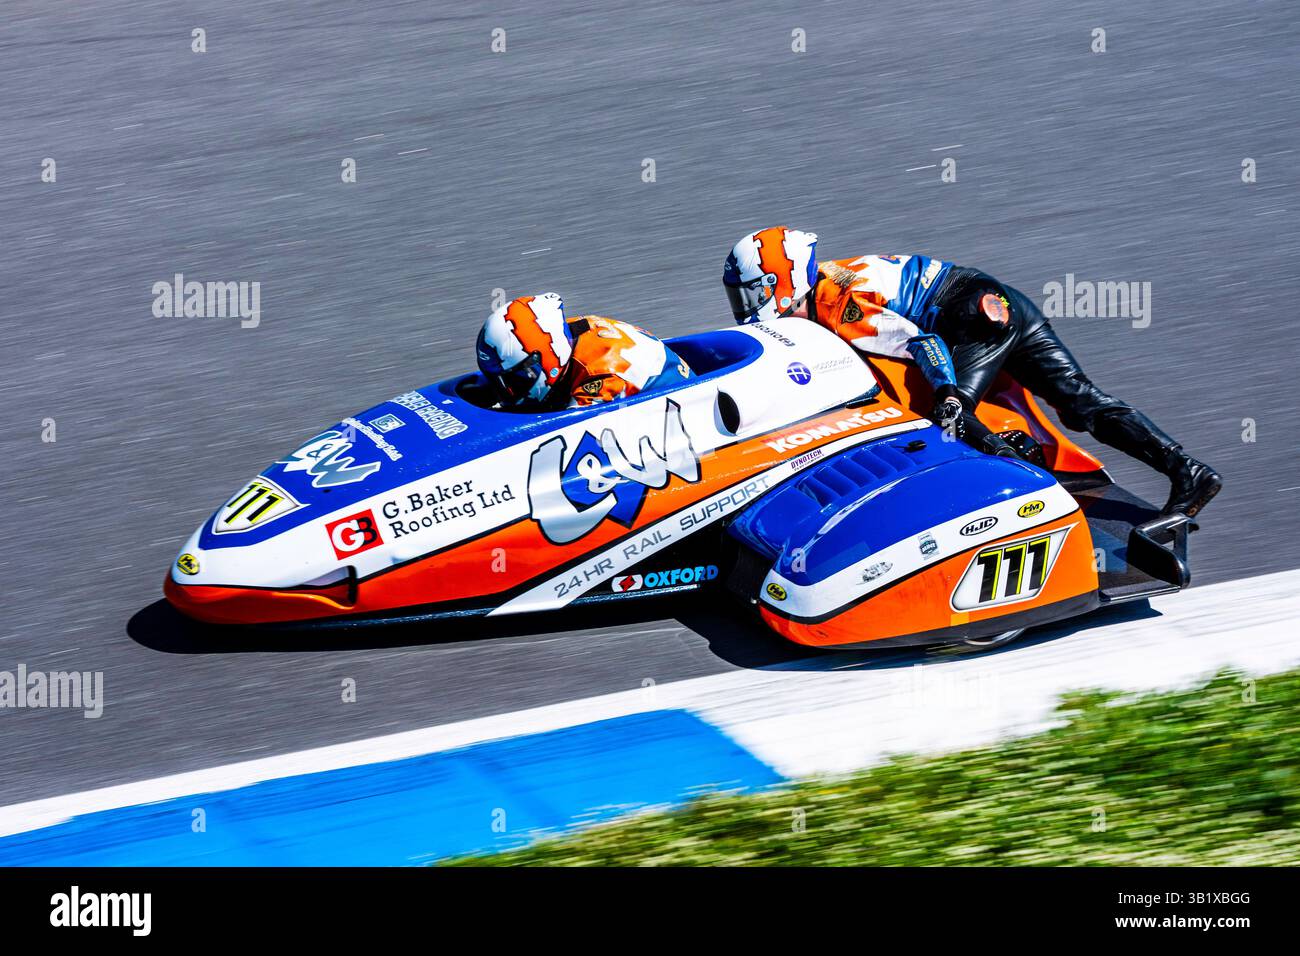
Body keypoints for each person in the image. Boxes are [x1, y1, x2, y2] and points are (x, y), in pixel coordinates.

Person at [723, 226, 1221, 518]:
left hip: (970, 318)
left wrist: (950, 394)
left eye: (749, 292)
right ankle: (1189, 472)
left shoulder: (839, 303)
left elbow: (923, 343)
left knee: (949, 416)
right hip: (999, 303)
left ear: (778, 280)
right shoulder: (828, 279)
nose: (744, 305)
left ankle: (1034, 503)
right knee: (1079, 401)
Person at [476, 293, 692, 409]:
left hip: (682, 416)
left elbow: (564, 431)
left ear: (548, 363)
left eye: (516, 380)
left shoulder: (602, 379)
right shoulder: (557, 335)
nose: (507, 392)